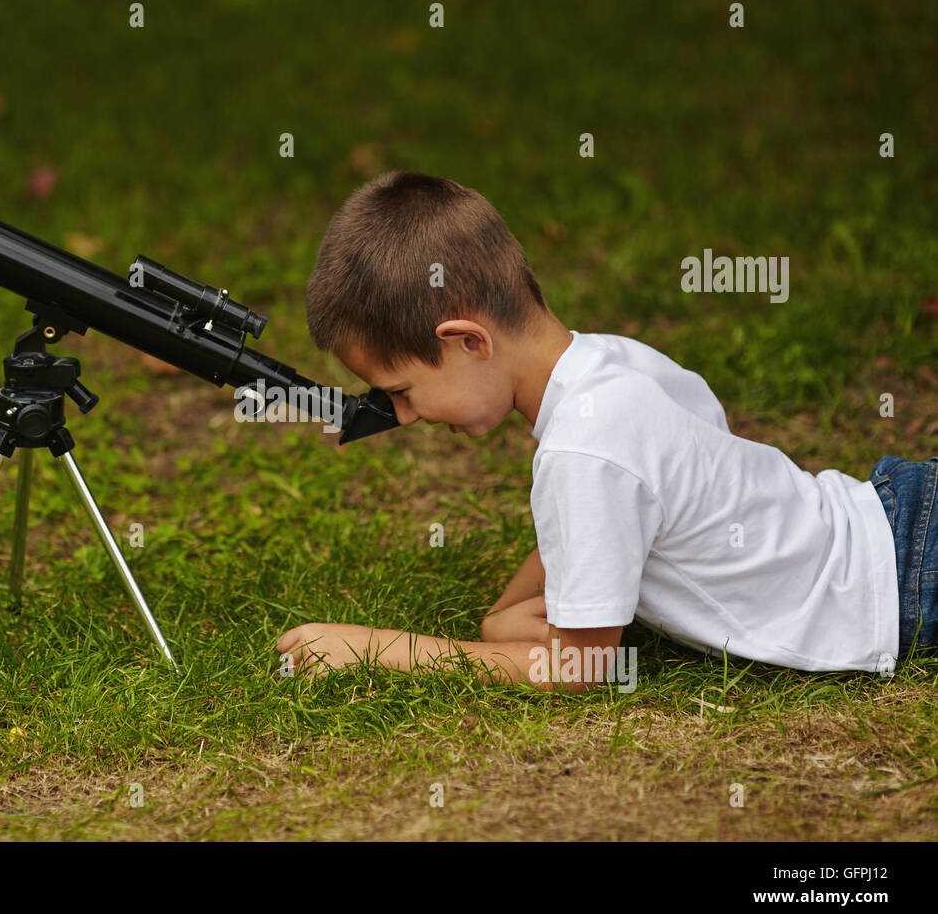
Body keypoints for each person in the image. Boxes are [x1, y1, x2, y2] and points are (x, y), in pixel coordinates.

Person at [276, 171, 934, 691]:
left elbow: (582, 668)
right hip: (895, 509)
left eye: (403, 392)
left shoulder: (583, 448)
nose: (408, 417)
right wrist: (504, 616)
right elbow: (639, 493)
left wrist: (376, 647)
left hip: (902, 584)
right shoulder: (609, 363)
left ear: (467, 341)